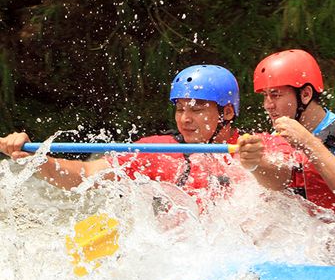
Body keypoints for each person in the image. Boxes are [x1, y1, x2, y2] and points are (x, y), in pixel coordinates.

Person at [0, 65, 290, 203]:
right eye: (180, 109)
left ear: (226, 112)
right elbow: (86, 175)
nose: (185, 119)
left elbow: (282, 180)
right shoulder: (157, 151)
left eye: (197, 109)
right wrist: (35, 160)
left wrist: (256, 164)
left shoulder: (259, 146)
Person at [236, 49, 335, 257]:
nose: (268, 105)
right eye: (265, 96)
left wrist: (308, 143)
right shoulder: (277, 137)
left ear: (305, 94)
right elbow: (282, 179)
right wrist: (255, 164)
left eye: (275, 95)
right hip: (303, 247)